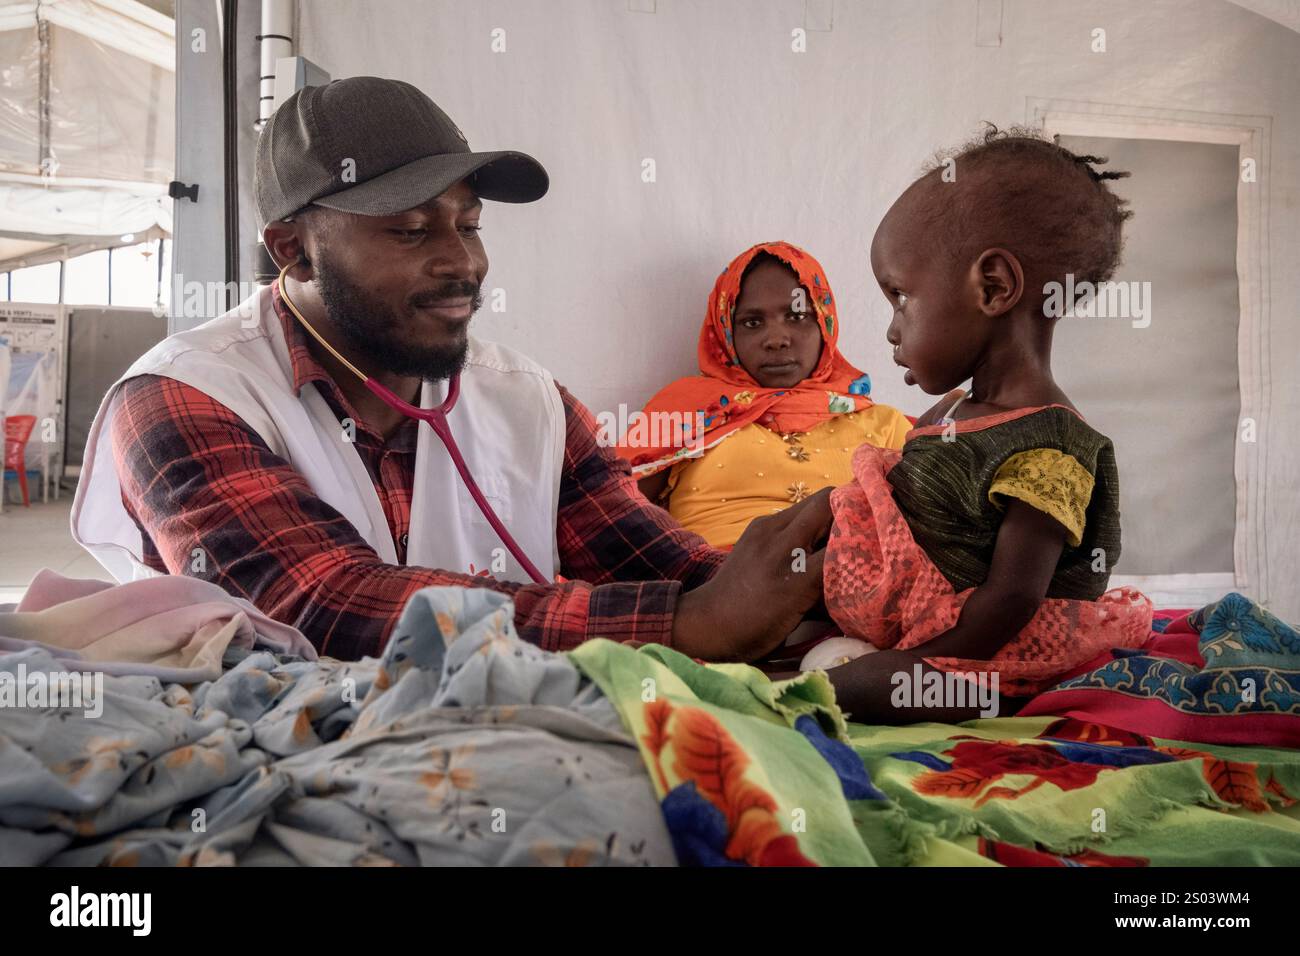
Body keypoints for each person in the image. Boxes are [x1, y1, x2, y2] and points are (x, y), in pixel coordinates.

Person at [72, 76, 831, 663]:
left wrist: (823, 585)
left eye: (468, 223)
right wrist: (686, 625)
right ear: (292, 250)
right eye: (409, 231)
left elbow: (668, 563)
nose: (463, 263)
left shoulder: (528, 402)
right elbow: (316, 606)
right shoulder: (185, 397)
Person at [815, 127, 1154, 723]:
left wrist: (928, 662)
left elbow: (1013, 599)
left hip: (991, 650)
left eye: (901, 297)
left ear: (993, 287)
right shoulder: (948, 411)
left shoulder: (1051, 445)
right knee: (800, 525)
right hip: (918, 612)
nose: (893, 329)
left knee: (870, 684)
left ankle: (800, 685)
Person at [621, 241, 911, 549]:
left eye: (796, 316)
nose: (776, 339)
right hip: (714, 588)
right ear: (726, 331)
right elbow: (610, 518)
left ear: (824, 322)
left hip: (853, 585)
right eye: (752, 322)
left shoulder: (884, 425)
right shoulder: (685, 411)